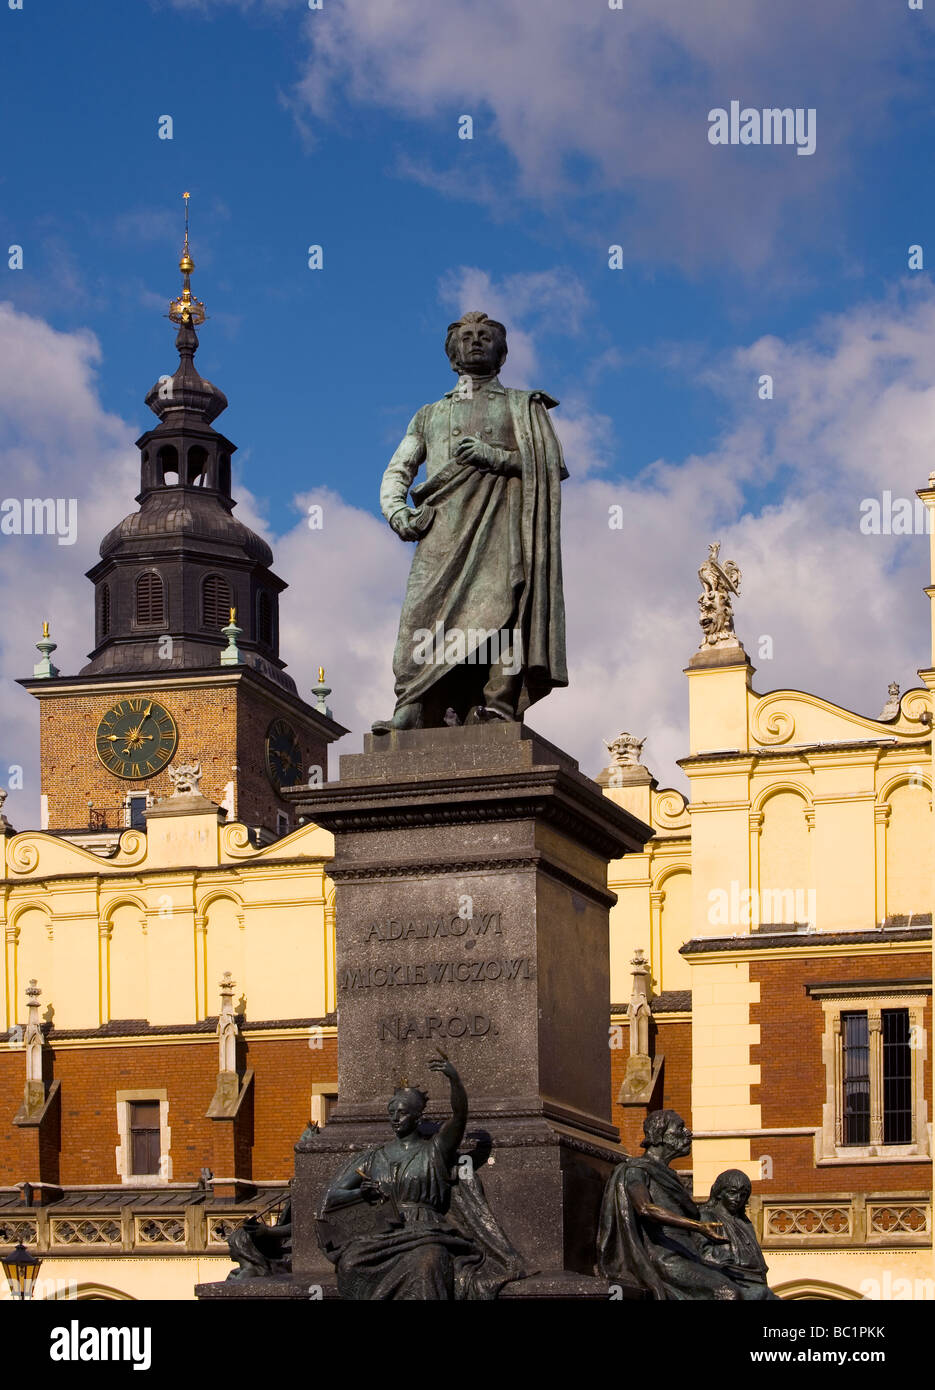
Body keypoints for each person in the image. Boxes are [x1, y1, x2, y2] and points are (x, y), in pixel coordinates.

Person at [373, 311, 567, 731]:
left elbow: (549, 465)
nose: (475, 342)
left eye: (485, 336)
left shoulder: (523, 406)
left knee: (504, 610)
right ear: (452, 353)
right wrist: (396, 510)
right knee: (420, 620)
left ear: (502, 351)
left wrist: (492, 456)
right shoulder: (429, 414)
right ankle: (413, 702)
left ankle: (497, 702)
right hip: (441, 531)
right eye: (466, 337)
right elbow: (399, 469)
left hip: (502, 527)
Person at [319, 1054, 526, 1300]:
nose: (395, 1118)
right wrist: (360, 1193)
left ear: (417, 1117)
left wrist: (454, 1080)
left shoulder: (435, 1150)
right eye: (391, 1112)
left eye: (403, 1113)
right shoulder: (374, 1157)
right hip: (383, 1231)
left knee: (428, 1263)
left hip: (427, 1229)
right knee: (350, 1263)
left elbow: (459, 1117)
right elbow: (334, 1195)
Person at [598, 1109, 753, 1300]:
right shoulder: (636, 1170)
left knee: (746, 1285)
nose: (688, 1133)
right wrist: (698, 1226)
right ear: (659, 1136)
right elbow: (645, 1208)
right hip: (665, 1256)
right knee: (728, 1293)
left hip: (686, 1252)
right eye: (680, 1128)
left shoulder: (670, 1175)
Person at [699, 1169, 779, 1300]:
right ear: (719, 1193)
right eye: (732, 1193)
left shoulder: (745, 1223)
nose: (737, 1199)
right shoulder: (706, 1216)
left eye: (743, 1195)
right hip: (729, 1281)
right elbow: (703, 1253)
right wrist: (725, 1259)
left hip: (754, 1280)